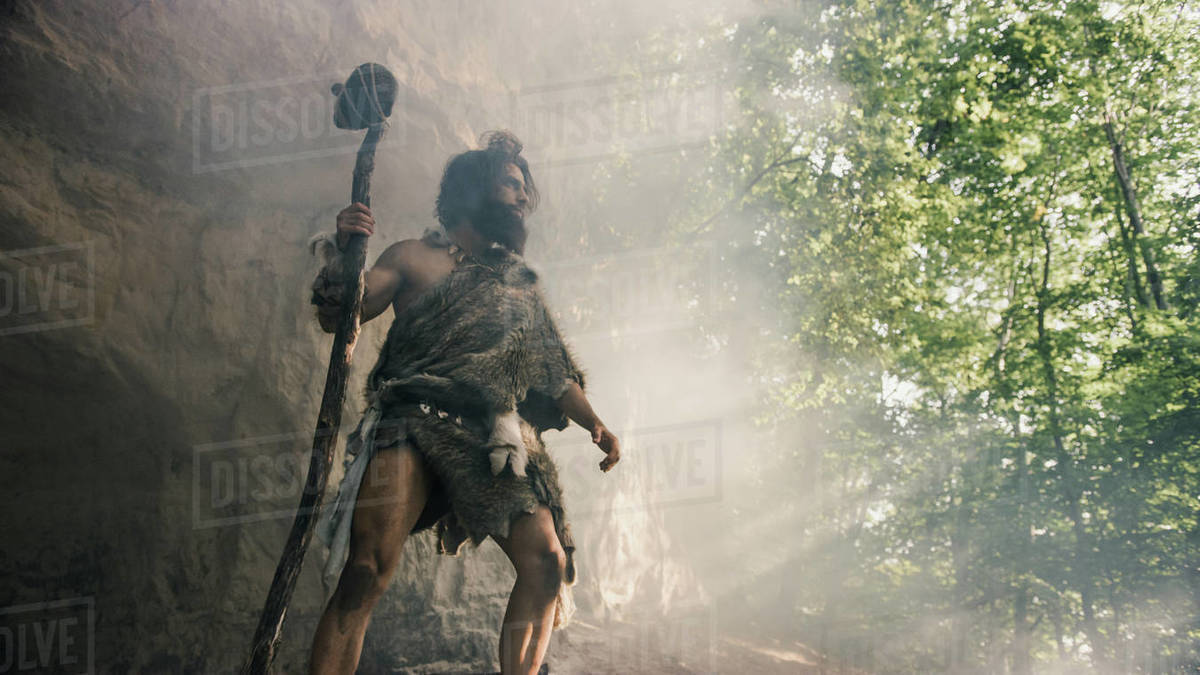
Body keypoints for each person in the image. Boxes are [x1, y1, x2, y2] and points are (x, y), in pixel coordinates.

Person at [305, 130, 620, 675]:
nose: (521, 197)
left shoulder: (518, 284)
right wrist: (347, 250)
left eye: (523, 188)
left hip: (495, 435)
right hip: (414, 420)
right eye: (510, 183)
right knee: (365, 570)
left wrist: (595, 422)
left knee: (547, 561)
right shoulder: (412, 256)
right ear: (474, 188)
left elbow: (552, 369)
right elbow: (344, 311)